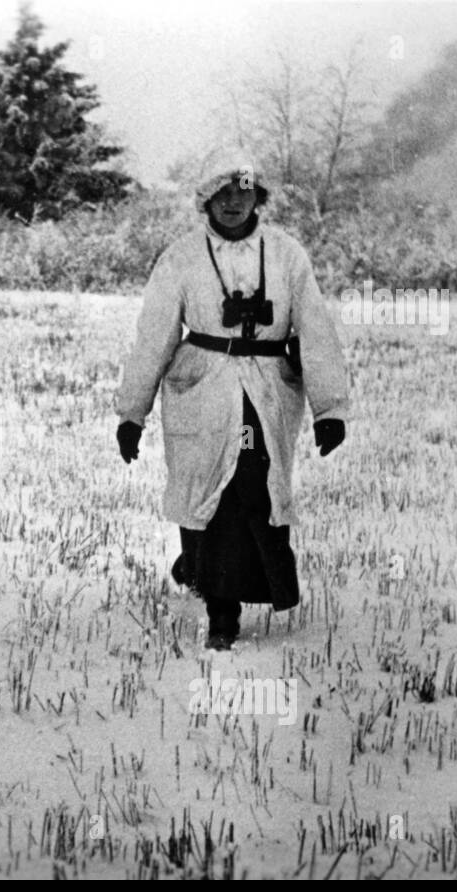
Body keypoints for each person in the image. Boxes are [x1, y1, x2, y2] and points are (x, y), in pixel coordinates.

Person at [113, 150, 350, 652]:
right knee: (210, 490)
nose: (233, 202)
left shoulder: (287, 255)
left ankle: (212, 578)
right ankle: (220, 608)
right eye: (223, 192)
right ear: (207, 199)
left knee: (252, 487)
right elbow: (154, 335)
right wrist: (132, 412)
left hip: (267, 390)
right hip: (202, 388)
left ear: (258, 196)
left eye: (244, 191)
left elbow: (315, 329)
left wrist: (330, 409)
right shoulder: (181, 257)